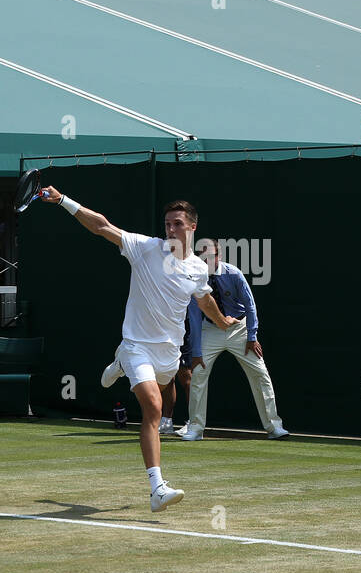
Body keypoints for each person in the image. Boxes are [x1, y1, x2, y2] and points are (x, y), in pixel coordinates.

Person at [41, 186, 236, 512]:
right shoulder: (146, 248)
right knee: (153, 408)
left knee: (162, 389)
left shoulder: (199, 268)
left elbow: (203, 298)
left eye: (177, 223)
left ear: (192, 227)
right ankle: (157, 487)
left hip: (168, 353)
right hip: (137, 345)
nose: (171, 228)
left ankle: (118, 363)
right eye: (168, 223)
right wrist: (63, 200)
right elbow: (102, 226)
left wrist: (222, 319)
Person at [179, 238, 289, 441]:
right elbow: (194, 316)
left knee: (260, 374)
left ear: (218, 257)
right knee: (199, 375)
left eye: (209, 256)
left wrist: (251, 336)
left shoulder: (233, 274)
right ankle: (195, 428)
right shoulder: (195, 279)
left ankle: (274, 427)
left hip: (239, 329)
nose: (205, 261)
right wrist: (196, 351)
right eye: (201, 257)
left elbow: (250, 305)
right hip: (209, 330)